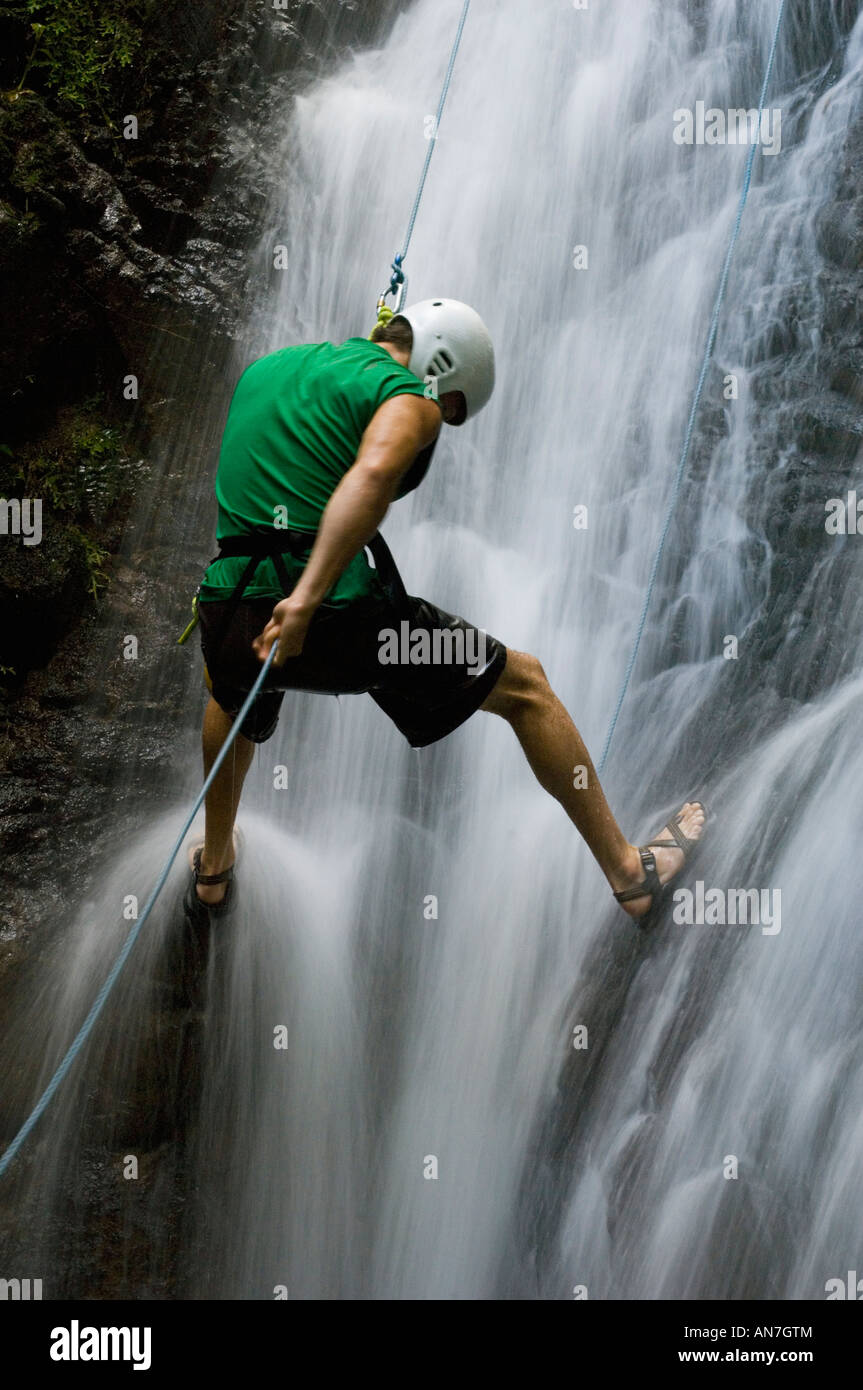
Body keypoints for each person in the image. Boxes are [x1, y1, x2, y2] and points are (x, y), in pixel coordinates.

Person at [186, 298, 705, 931]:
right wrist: (306, 601)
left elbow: (292, 469)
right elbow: (374, 474)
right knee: (527, 686)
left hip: (227, 609)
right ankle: (631, 876)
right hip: (345, 625)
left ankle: (214, 871)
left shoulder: (266, 370)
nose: (444, 417)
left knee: (230, 691)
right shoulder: (412, 397)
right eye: (454, 404)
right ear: (442, 364)